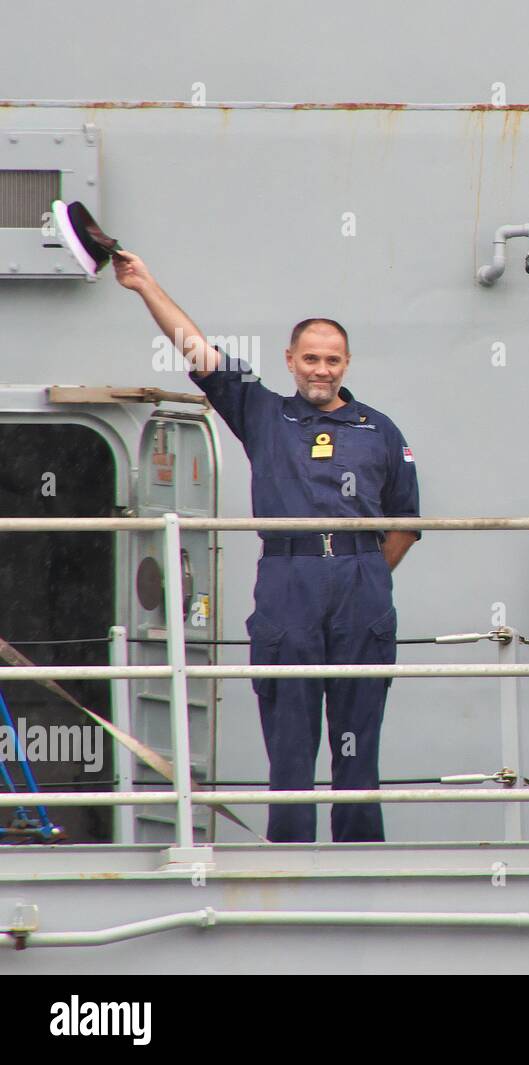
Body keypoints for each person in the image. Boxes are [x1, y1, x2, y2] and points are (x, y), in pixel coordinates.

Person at [113, 252, 420, 843]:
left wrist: (359, 572)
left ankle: (360, 859)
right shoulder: (263, 412)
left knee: (358, 740)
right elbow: (198, 353)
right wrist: (144, 284)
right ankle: (291, 858)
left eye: (332, 360)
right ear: (290, 360)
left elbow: (405, 521)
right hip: (287, 581)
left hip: (360, 585)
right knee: (290, 742)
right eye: (310, 359)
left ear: (347, 362)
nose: (321, 370)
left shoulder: (380, 430)